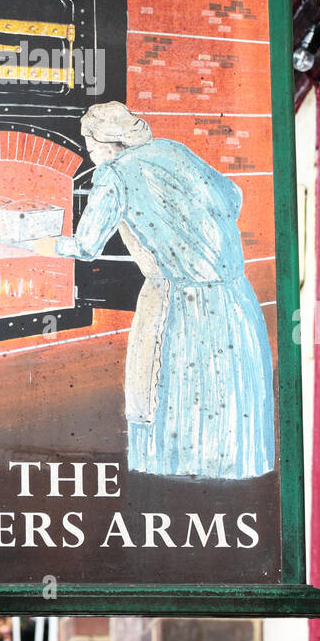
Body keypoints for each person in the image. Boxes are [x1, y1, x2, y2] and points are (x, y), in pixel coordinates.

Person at [33, 102, 275, 480]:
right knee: (224, 405)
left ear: (108, 143)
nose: (88, 152)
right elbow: (233, 195)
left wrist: (37, 242)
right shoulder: (172, 151)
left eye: (89, 143)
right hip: (232, 298)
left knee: (172, 402)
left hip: (179, 303)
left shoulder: (114, 174)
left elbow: (85, 245)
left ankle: (173, 489)